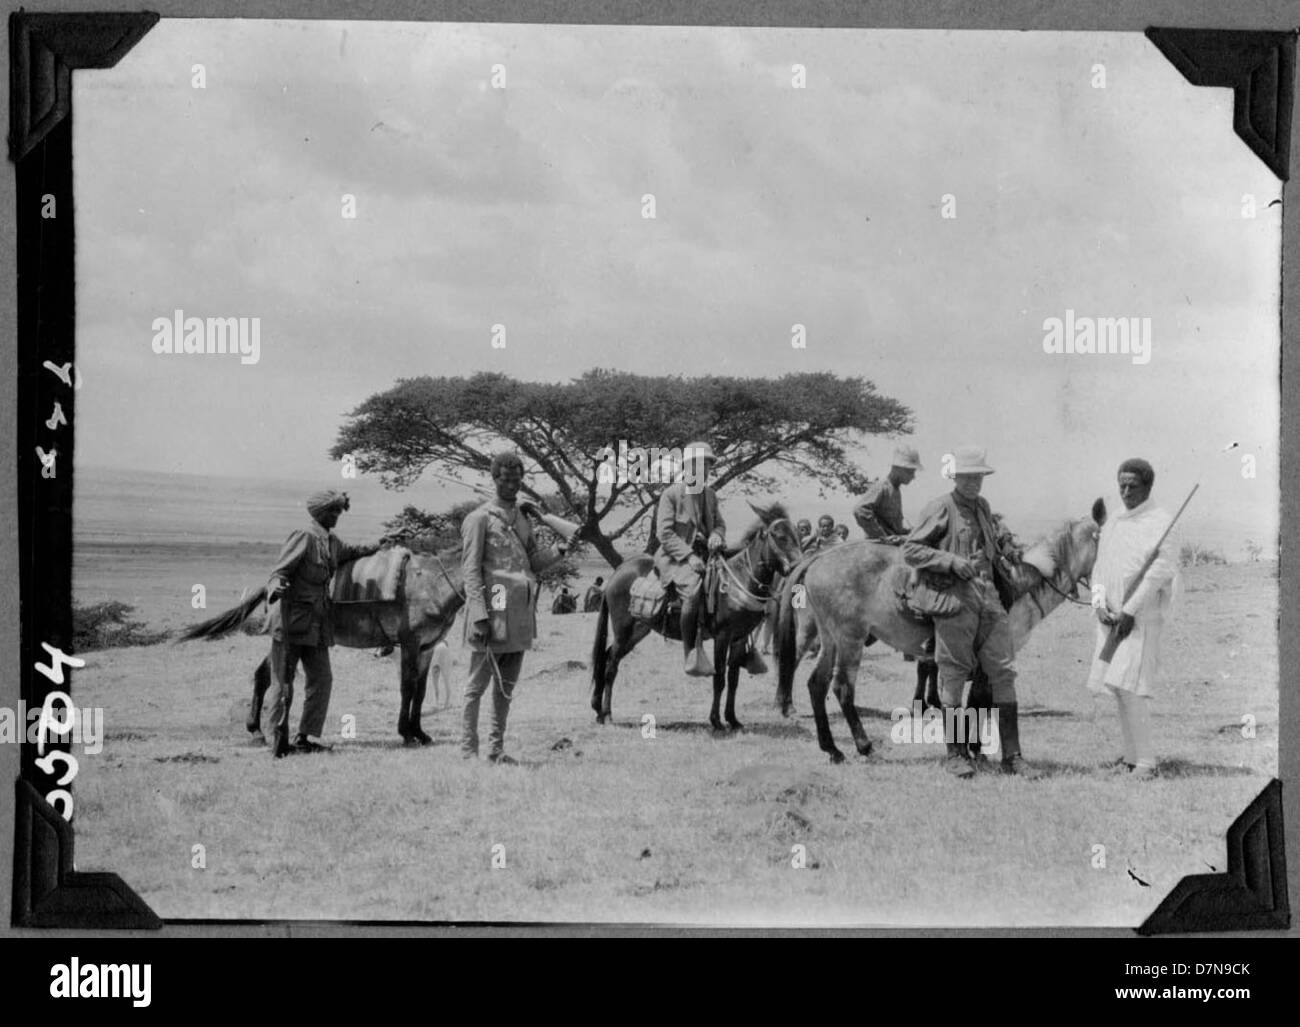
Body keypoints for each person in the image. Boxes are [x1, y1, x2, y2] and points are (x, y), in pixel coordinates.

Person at [904, 445, 1035, 778]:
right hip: (955, 600)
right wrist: (950, 561)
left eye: (978, 477)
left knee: (1003, 672)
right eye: (967, 477)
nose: (973, 482)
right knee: (954, 674)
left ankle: (1013, 757)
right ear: (955, 477)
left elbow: (989, 545)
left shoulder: (983, 507)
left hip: (988, 600)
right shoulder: (941, 507)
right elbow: (912, 549)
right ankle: (956, 755)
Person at [460, 451, 567, 764]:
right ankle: (468, 752)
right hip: (492, 613)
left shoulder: (521, 517)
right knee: (475, 687)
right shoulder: (479, 518)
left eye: (517, 479)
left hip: (520, 613)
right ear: (495, 479)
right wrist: (479, 615)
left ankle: (496, 750)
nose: (511, 485)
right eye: (505, 479)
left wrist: (559, 550)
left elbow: (532, 562)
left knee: (506, 689)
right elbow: (470, 570)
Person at [264, 490, 382, 758]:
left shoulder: (330, 541)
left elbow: (353, 551)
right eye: (333, 512)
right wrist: (276, 588)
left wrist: (382, 542)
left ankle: (304, 738)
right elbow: (278, 572)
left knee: (322, 680)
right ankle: (278, 742)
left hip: (317, 625)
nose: (337, 517)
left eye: (339, 512)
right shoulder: (304, 537)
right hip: (292, 622)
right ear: (320, 513)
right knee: (283, 685)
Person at [1087, 458, 1179, 780]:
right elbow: (1098, 567)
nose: (1126, 492)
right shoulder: (1114, 521)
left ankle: (1147, 763)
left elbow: (1159, 572)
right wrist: (1099, 604)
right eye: (1121, 485)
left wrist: (1129, 611)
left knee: (1133, 687)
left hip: (1139, 619)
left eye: (1133, 486)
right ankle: (1130, 757)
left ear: (1148, 487)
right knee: (1117, 685)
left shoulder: (1161, 522)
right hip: (1110, 618)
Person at [655, 440, 729, 676]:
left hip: (707, 554)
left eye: (708, 466)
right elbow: (664, 533)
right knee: (693, 588)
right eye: (700, 465)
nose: (705, 471)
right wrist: (688, 557)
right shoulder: (672, 494)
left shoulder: (710, 495)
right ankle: (690, 651)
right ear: (688, 467)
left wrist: (717, 535)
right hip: (675, 557)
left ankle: (744, 648)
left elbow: (719, 523)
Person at [853, 445, 922, 541]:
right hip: (880, 547)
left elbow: (890, 526)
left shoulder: (895, 490)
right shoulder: (882, 487)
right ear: (897, 469)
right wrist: (881, 536)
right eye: (910, 472)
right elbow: (860, 510)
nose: (913, 477)